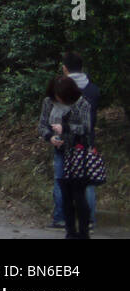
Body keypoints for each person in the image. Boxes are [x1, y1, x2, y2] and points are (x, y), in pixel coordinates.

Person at [45, 76, 94, 239]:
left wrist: (65, 128)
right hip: (63, 153)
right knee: (65, 195)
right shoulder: (56, 105)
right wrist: (52, 136)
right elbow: (44, 125)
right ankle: (70, 231)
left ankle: (84, 232)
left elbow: (86, 128)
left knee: (79, 195)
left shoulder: (83, 104)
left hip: (79, 155)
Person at [55, 51, 99, 230]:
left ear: (65, 68)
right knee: (86, 181)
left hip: (64, 140)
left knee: (61, 179)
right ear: (82, 68)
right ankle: (88, 220)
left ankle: (61, 218)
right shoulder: (93, 90)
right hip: (86, 141)